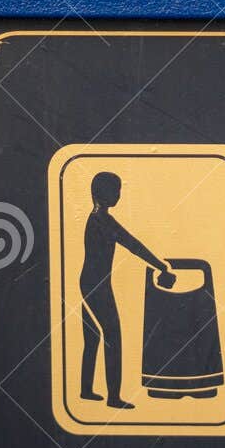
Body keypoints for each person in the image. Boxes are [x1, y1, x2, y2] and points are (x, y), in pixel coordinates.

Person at [79, 171, 172, 410]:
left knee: (92, 338)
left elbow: (131, 243)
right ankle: (113, 397)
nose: (119, 195)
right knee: (113, 338)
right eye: (116, 190)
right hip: (96, 286)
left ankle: (86, 390)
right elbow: (133, 244)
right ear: (103, 193)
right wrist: (161, 266)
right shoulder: (102, 221)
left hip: (90, 282)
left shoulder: (98, 218)